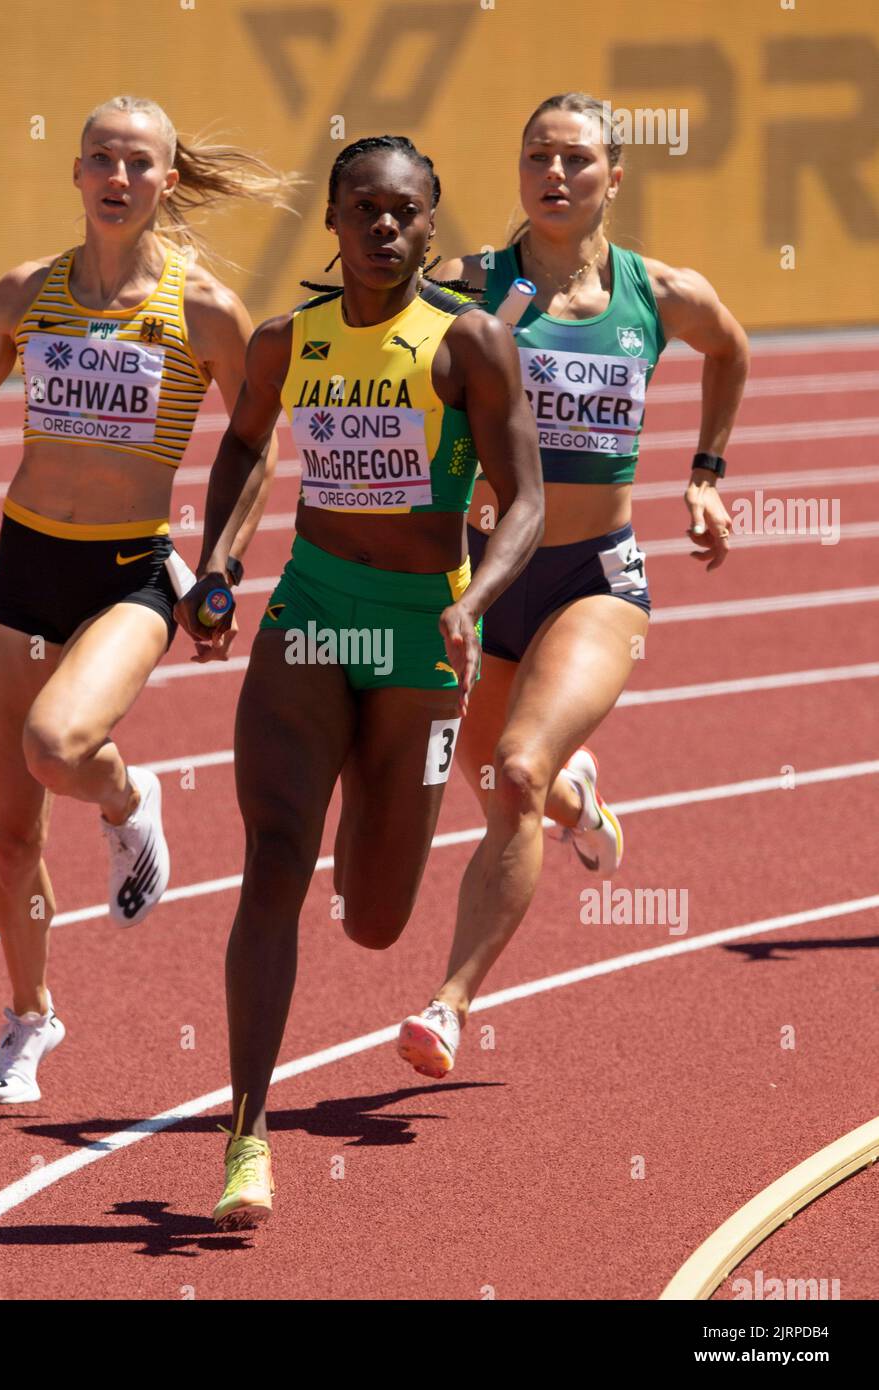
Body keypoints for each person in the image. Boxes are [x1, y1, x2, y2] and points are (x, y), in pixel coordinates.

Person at [0, 95, 292, 1104]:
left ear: (166, 183)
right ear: (74, 174)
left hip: (131, 576)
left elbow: (256, 440)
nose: (116, 177)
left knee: (57, 746)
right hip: (25, 568)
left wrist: (222, 568)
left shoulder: (202, 311)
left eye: (138, 164)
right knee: (11, 830)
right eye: (100, 158)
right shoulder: (28, 293)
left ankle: (125, 796)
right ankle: (29, 1019)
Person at [173, 134, 543, 1228]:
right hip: (315, 613)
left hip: (421, 635)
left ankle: (373, 818)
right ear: (331, 224)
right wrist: (220, 566)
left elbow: (522, 498)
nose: (383, 228)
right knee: (273, 855)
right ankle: (247, 1133)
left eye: (405, 212)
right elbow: (242, 446)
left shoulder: (468, 343)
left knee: (374, 917)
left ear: (433, 225)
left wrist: (472, 603)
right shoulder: (289, 342)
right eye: (363, 210)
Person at [396, 91, 750, 1080]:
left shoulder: (658, 293)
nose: (553, 175)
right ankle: (578, 803)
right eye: (535, 156)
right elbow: (394, 372)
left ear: (613, 177)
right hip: (485, 580)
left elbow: (729, 349)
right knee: (496, 779)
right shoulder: (468, 287)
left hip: (595, 577)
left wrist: (704, 475)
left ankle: (449, 1002)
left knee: (510, 773)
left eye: (576, 160)